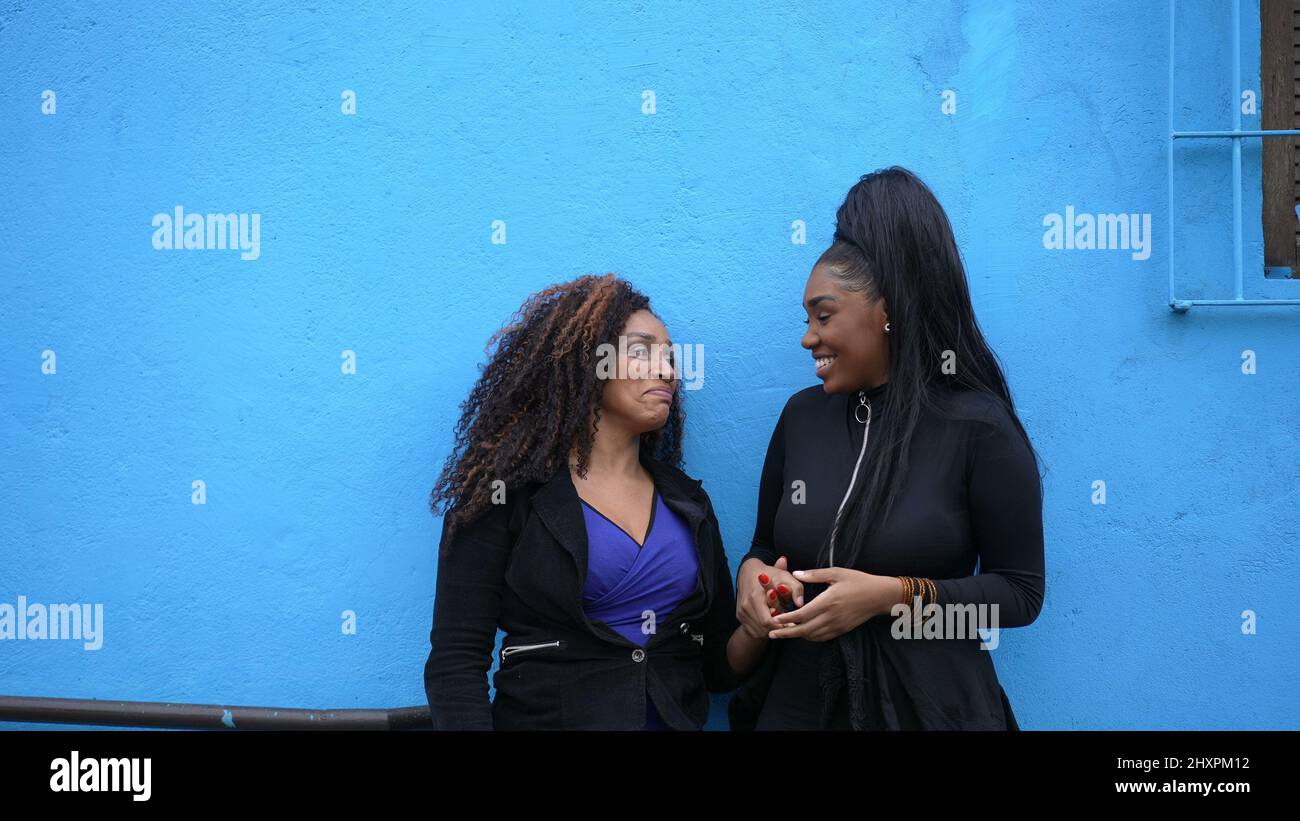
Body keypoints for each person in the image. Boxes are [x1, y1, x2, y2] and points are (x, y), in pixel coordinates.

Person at [732, 167, 1047, 730]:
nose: (808, 337)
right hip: (801, 706)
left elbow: (1020, 595)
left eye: (823, 316)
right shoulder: (801, 418)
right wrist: (754, 583)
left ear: (887, 312)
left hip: (929, 710)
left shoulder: (976, 426)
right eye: (805, 319)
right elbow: (761, 547)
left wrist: (892, 598)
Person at [425, 273, 765, 729]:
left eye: (669, 356)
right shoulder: (504, 496)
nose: (667, 370)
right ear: (589, 361)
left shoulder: (689, 503)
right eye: (643, 351)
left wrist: (760, 627)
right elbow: (456, 662)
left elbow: (717, 668)